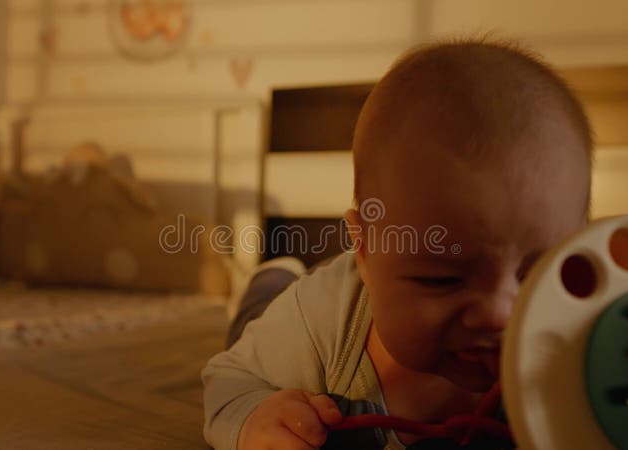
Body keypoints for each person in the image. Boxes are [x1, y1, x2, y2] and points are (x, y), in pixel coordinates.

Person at [202, 38, 593, 450]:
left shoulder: (580, 329)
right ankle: (271, 274)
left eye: (537, 273)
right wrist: (253, 418)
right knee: (256, 315)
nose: (497, 315)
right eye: (443, 280)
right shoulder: (319, 318)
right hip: (296, 309)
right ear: (365, 251)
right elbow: (227, 380)